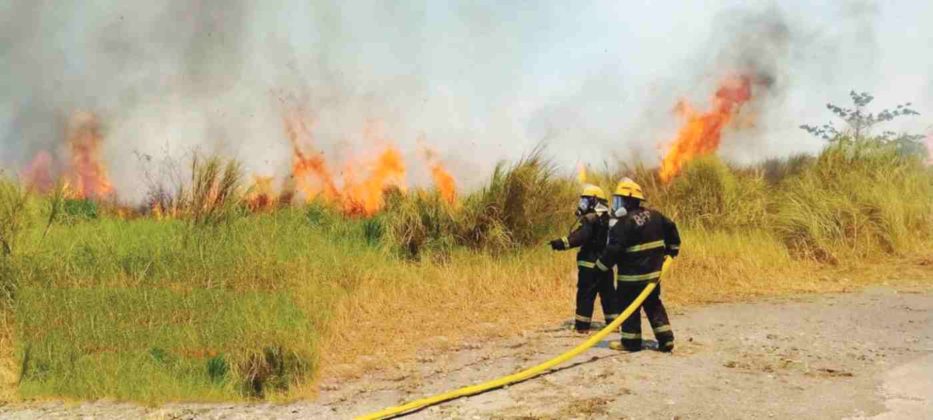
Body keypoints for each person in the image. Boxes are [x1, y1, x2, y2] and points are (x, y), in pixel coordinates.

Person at [595, 178, 680, 352]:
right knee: (653, 304)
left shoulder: (623, 223)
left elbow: (613, 250)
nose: (617, 204)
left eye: (619, 200)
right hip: (652, 277)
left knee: (628, 308)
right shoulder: (655, 215)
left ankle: (631, 342)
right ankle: (666, 339)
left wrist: (600, 267)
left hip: (630, 278)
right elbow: (672, 227)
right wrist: (672, 249)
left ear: (628, 200)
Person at [549, 184, 620, 333]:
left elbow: (580, 237)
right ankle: (613, 324)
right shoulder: (610, 218)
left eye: (585, 200)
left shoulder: (590, 218)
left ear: (594, 201)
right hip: (605, 265)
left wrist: (560, 243)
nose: (582, 203)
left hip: (589, 265)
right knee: (608, 295)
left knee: (586, 295)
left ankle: (582, 327)